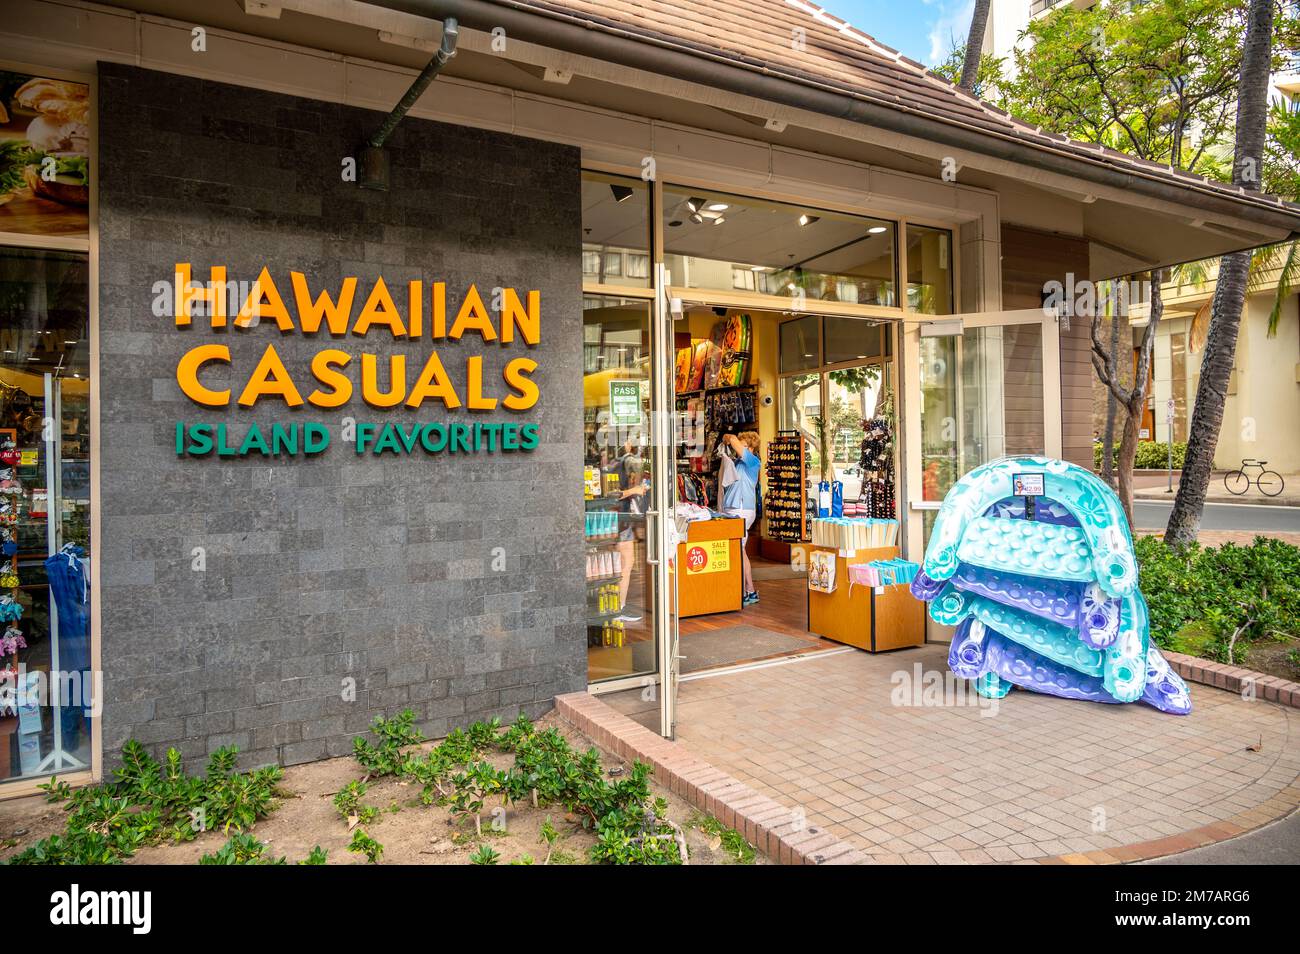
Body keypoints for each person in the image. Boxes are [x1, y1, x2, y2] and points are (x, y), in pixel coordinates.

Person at [721, 431, 761, 606]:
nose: (739, 449)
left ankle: (747, 591)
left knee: (738, 549)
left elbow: (733, 441)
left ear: (750, 448)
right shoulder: (737, 462)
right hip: (732, 508)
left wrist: (731, 439)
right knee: (738, 549)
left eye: (743, 445)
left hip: (742, 509)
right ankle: (749, 590)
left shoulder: (753, 462)